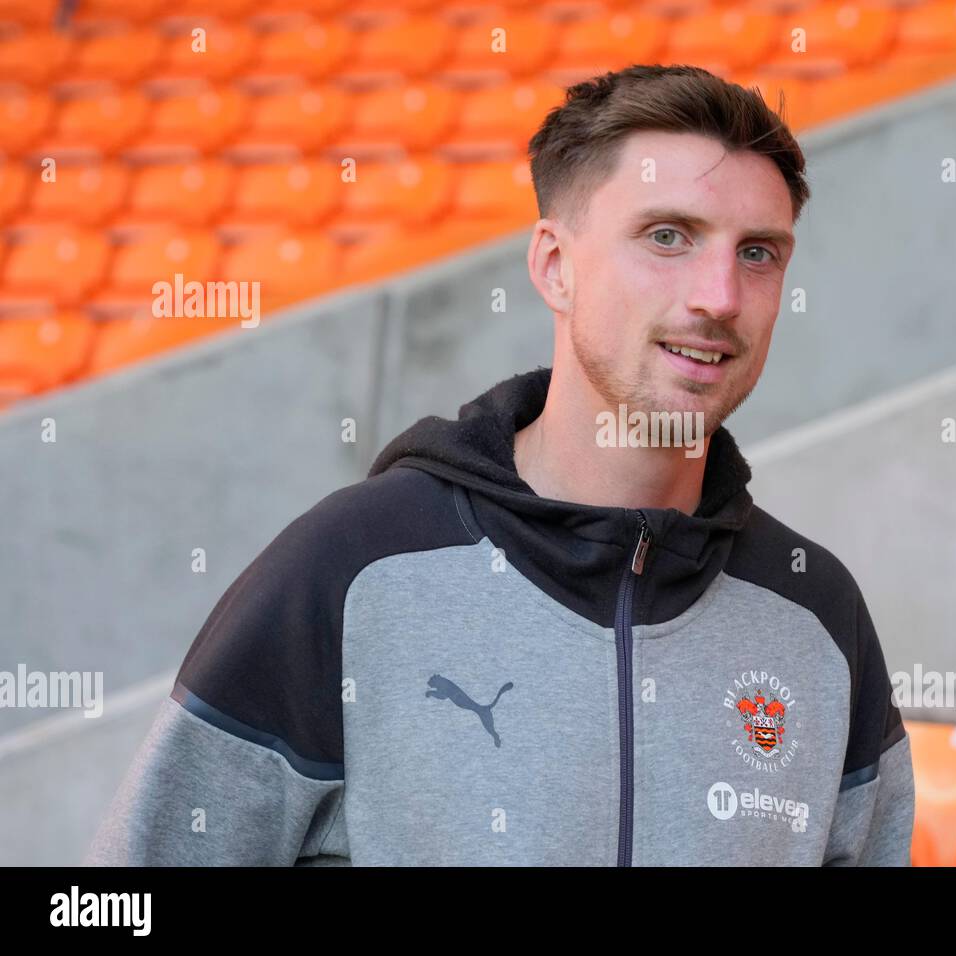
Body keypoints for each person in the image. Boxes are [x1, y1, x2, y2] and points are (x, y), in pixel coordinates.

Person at [86, 64, 913, 866]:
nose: (719, 296)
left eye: (758, 253)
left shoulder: (816, 612)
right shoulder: (350, 572)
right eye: (668, 236)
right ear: (555, 266)